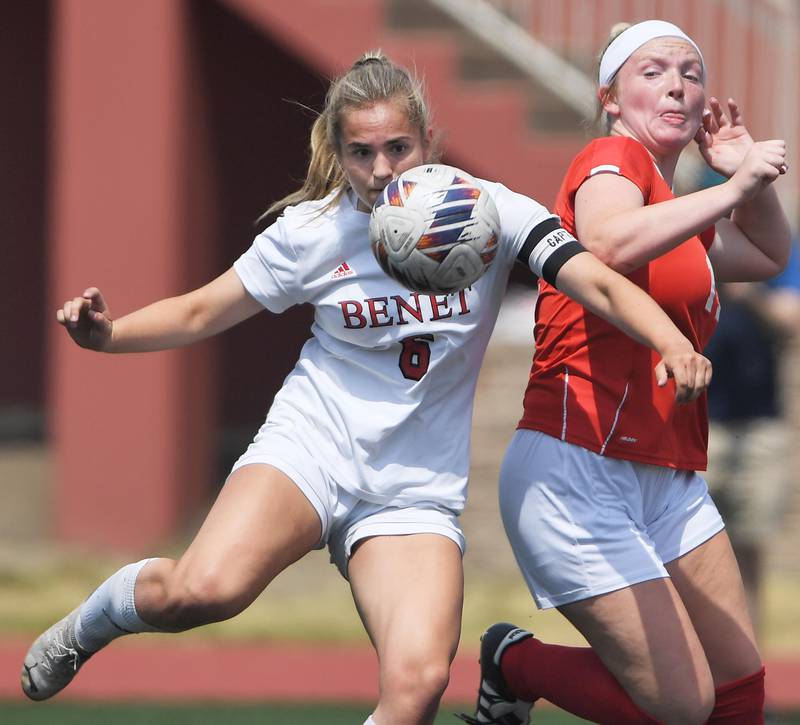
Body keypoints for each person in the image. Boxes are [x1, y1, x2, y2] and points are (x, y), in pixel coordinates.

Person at [22, 51, 712, 725]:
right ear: (337, 151)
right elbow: (205, 309)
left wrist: (671, 340)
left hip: (413, 488)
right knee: (202, 591)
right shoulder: (313, 233)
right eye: (362, 152)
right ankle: (92, 622)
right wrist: (107, 336)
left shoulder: (488, 211)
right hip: (314, 448)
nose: (381, 170)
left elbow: (586, 274)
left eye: (398, 147)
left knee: (418, 685)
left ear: (429, 140)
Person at [460, 19, 791, 725]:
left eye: (690, 72)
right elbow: (607, 239)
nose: (677, 82)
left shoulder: (680, 211)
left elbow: (766, 255)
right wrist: (734, 191)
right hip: (577, 467)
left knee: (738, 692)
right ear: (609, 96)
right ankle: (512, 660)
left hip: (666, 472)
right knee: (681, 702)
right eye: (653, 70)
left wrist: (743, 181)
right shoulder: (611, 155)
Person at [705, 242, 800, 636]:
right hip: (699, 422)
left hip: (760, 425)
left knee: (749, 544)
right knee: (690, 547)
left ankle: (751, 655)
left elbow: (790, 320)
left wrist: (751, 292)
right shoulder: (690, 245)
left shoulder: (776, 251)